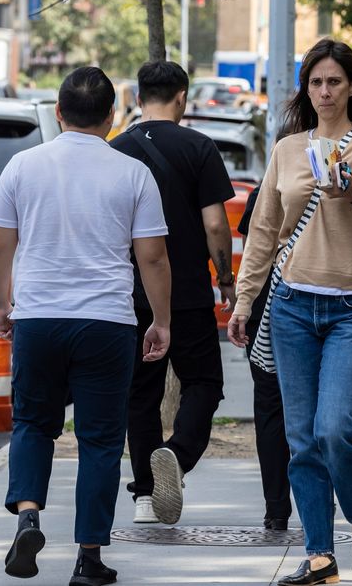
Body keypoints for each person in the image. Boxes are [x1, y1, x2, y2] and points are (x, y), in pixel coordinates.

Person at [228, 39, 352, 585]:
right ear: (305, 90)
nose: (325, 91)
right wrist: (244, 300)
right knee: (302, 439)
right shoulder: (288, 150)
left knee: (335, 428)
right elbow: (264, 231)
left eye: (335, 81)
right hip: (292, 305)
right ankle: (319, 555)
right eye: (316, 82)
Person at [0, 67, 172, 586]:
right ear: (112, 117)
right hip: (106, 323)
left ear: (58, 112)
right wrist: (161, 321)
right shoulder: (133, 173)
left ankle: (28, 516)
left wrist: (2, 306)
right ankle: (89, 558)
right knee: (101, 441)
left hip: (38, 318)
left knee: (32, 423)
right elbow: (153, 258)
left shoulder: (22, 166)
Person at [108, 61, 236, 526]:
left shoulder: (115, 150)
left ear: (139, 96)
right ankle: (177, 457)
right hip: (187, 293)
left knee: (140, 394)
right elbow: (215, 224)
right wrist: (226, 278)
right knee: (204, 384)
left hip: (131, 294)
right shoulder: (199, 147)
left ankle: (145, 495)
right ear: (182, 96)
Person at [236, 185, 294, 530]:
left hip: (265, 308)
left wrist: (243, 304)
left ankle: (276, 509)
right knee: (312, 407)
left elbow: (252, 253)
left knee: (270, 408)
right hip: (312, 305)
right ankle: (319, 496)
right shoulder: (330, 188)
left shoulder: (263, 192)